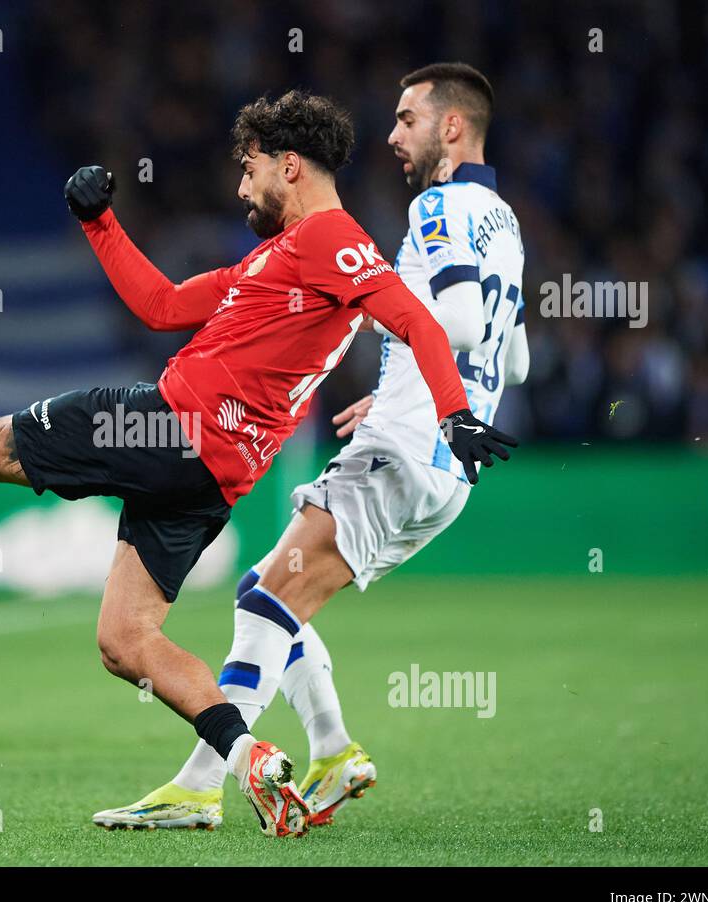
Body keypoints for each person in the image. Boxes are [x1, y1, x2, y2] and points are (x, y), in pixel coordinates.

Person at [0, 92, 514, 836]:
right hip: (210, 479)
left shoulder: (329, 240)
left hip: (167, 427)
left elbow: (414, 317)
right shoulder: (278, 260)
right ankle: (252, 762)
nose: (241, 186)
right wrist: (99, 220)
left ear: (290, 166)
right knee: (124, 640)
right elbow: (163, 304)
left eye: (248, 169)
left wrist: (452, 412)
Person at [93, 64, 528, 830]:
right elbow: (512, 359)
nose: (393, 136)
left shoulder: (438, 205)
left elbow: (451, 322)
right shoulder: (507, 222)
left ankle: (202, 785)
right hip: (448, 474)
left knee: (265, 600)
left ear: (452, 127)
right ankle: (331, 749)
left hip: (409, 442)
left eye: (407, 119)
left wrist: (409, 392)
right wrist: (403, 388)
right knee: (272, 593)